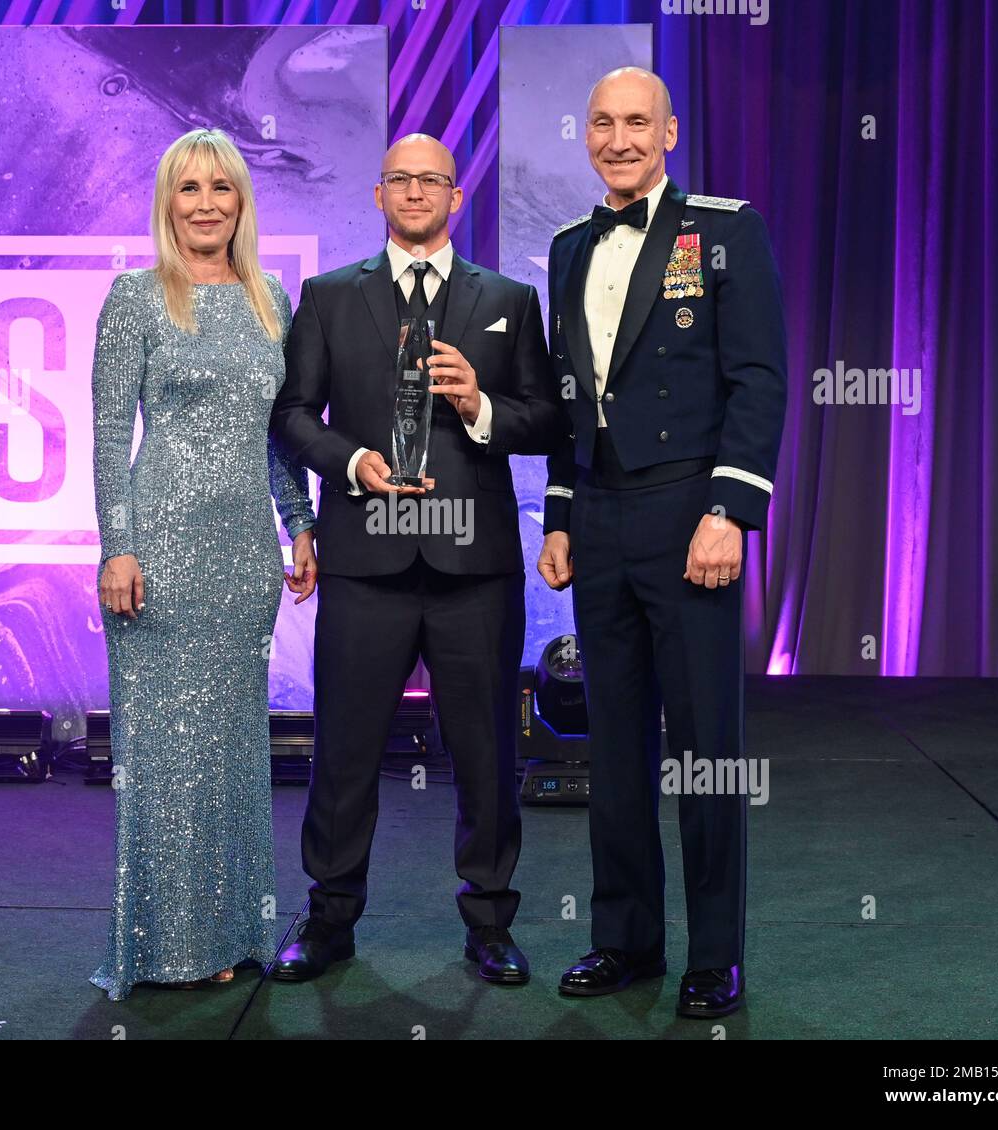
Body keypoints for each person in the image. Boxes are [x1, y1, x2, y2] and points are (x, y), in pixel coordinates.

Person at [269, 133, 561, 985]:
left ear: (457, 198)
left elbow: (545, 419)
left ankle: (490, 922)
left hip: (476, 564)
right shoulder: (326, 298)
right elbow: (292, 415)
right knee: (346, 750)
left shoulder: (509, 299)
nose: (416, 192)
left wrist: (480, 407)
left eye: (433, 179)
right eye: (401, 179)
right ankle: (328, 922)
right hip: (366, 559)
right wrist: (352, 463)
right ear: (379, 194)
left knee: (486, 752)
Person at [538, 68, 786, 1018]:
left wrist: (729, 509)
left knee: (706, 748)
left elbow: (760, 378)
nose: (618, 137)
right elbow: (568, 396)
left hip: (692, 518)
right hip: (598, 521)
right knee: (617, 748)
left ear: (670, 131)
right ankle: (625, 940)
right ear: (587, 135)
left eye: (636, 121)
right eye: (602, 122)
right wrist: (559, 512)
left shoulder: (724, 228)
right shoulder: (565, 248)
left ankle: (715, 953)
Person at [88, 128, 317, 1000]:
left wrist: (299, 524)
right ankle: (162, 946)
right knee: (163, 756)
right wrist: (118, 545)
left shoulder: (271, 303)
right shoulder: (137, 299)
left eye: (222, 188)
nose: (207, 203)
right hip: (159, 554)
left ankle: (231, 933)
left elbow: (278, 437)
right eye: (190, 189)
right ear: (167, 202)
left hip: (242, 561)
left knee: (228, 751)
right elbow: (112, 436)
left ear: (242, 202)